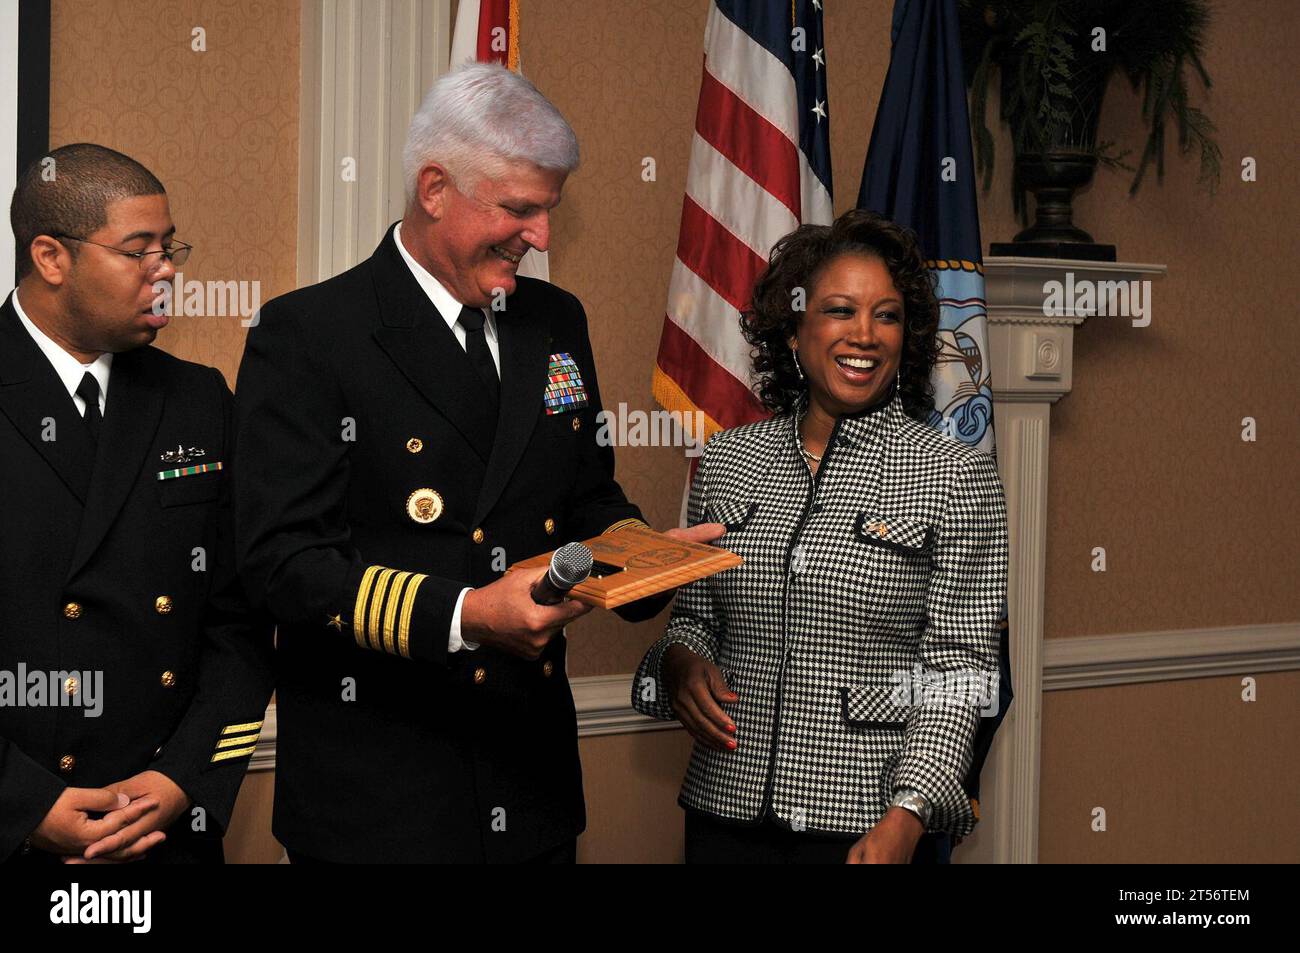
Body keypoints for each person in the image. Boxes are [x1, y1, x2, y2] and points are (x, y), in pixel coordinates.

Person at [234, 62, 721, 864]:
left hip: (528, 783)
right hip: (380, 798)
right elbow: (285, 566)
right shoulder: (311, 334)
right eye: (520, 209)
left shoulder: (555, 319)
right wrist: (467, 615)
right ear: (434, 188)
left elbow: (585, 492)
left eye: (548, 210)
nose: (541, 238)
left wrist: (643, 556)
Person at [632, 209, 1009, 864]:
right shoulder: (727, 460)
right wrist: (680, 663)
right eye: (840, 310)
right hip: (725, 816)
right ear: (796, 330)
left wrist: (909, 814)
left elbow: (960, 670)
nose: (865, 335)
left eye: (887, 316)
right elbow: (694, 622)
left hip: (868, 826)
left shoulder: (955, 474)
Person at [0, 143, 274, 865]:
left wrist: (184, 777)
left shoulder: (196, 400)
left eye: (170, 246)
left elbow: (239, 621)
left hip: (159, 827)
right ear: (51, 257)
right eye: (138, 250)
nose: (167, 271)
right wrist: (23, 804)